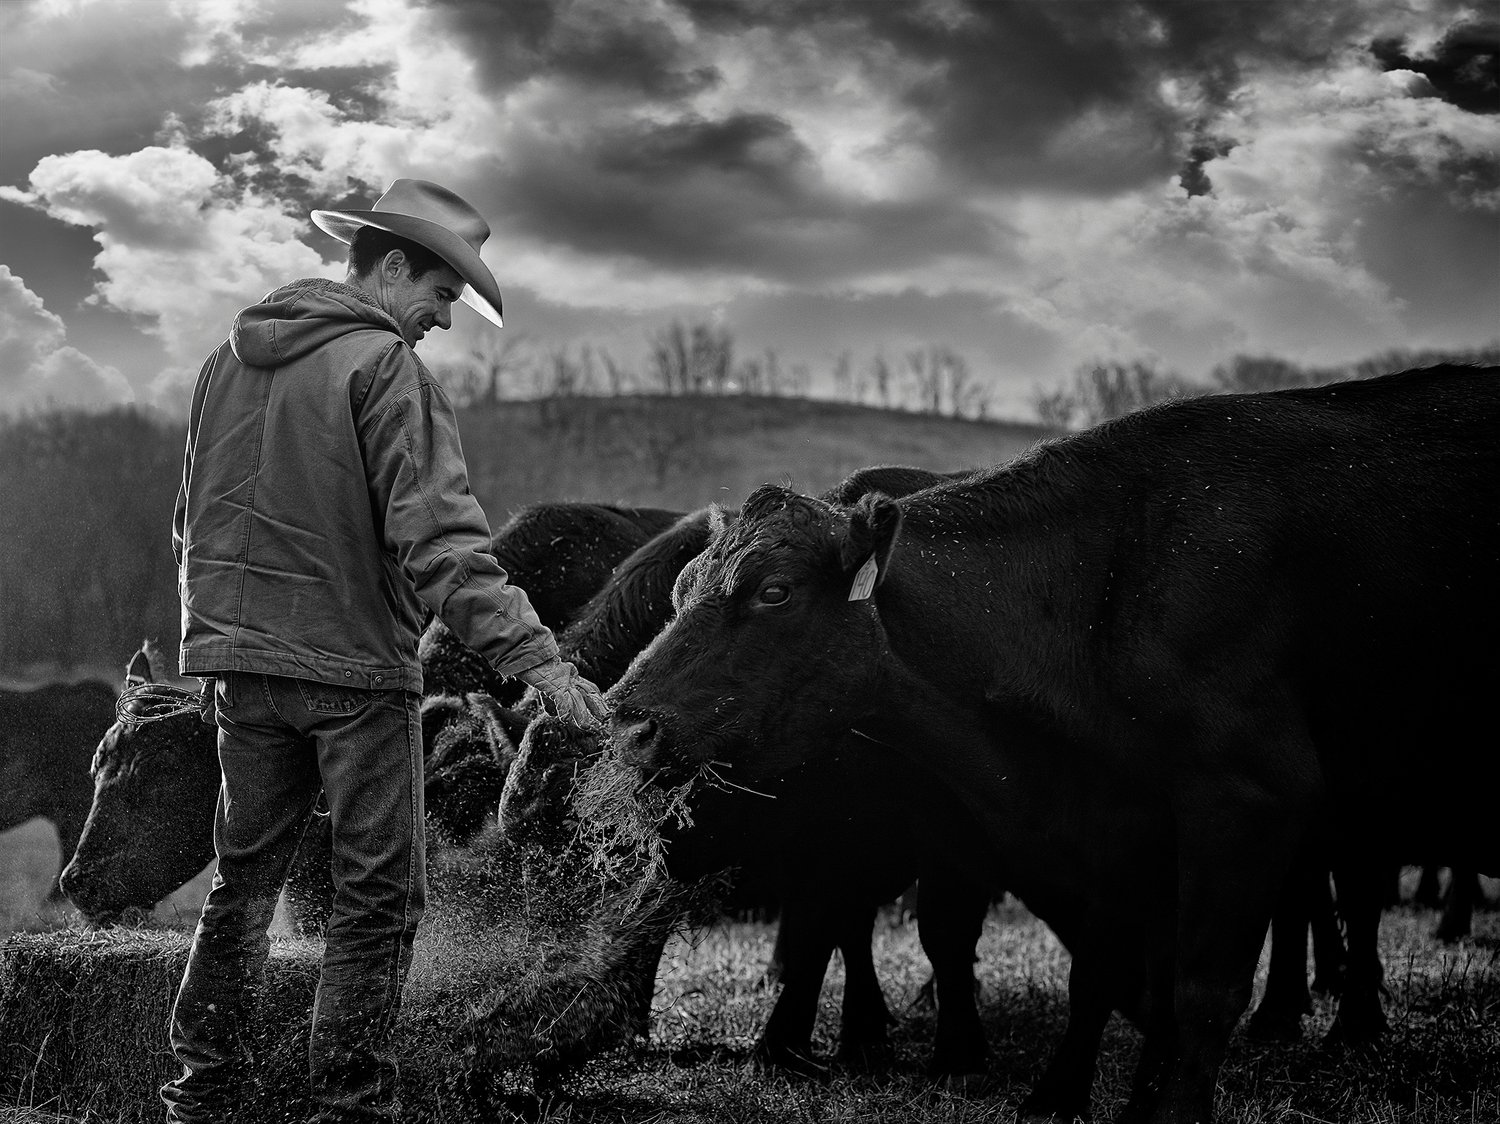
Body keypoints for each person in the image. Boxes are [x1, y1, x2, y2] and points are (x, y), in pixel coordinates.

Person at [162, 178, 607, 1122]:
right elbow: (442, 544)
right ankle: (350, 1107)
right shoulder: (386, 370)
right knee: (377, 900)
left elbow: (188, 524)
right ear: (394, 263)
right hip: (352, 673)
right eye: (443, 295)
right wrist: (543, 664)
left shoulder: (223, 363)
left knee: (241, 886)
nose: (444, 320)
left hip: (241, 669)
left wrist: (219, 643)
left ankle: (200, 1101)